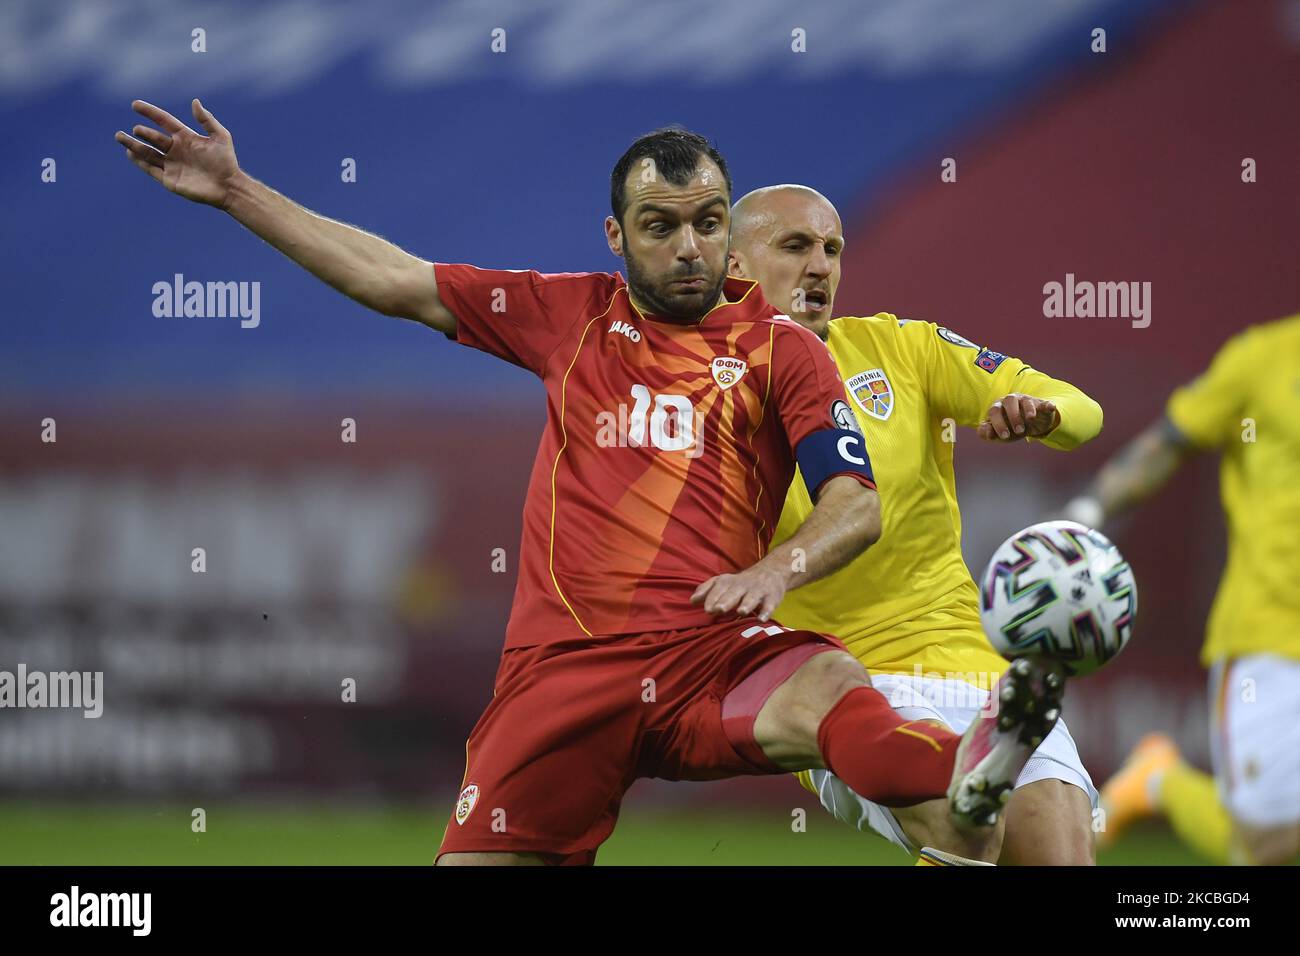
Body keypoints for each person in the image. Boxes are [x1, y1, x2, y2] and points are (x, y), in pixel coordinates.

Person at [116, 104, 1063, 865]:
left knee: (833, 687)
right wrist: (239, 191)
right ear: (619, 234)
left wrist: (781, 568)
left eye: (705, 225)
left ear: (727, 233)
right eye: (661, 227)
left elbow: (856, 505)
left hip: (711, 652)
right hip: (563, 677)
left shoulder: (784, 353)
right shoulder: (565, 315)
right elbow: (394, 279)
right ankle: (966, 788)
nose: (687, 247)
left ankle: (977, 769)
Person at [728, 184, 1102, 864]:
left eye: (832, 249)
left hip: (976, 664)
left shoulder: (901, 350)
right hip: (840, 683)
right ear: (733, 268)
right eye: (795, 246)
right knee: (966, 826)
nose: (821, 265)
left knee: (1058, 855)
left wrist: (1042, 413)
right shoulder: (699, 397)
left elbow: (1083, 410)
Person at [1063, 315, 1300, 865]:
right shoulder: (1263, 358)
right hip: (1273, 636)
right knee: (1259, 851)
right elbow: (1167, 443)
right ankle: (1160, 782)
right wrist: (1087, 512)